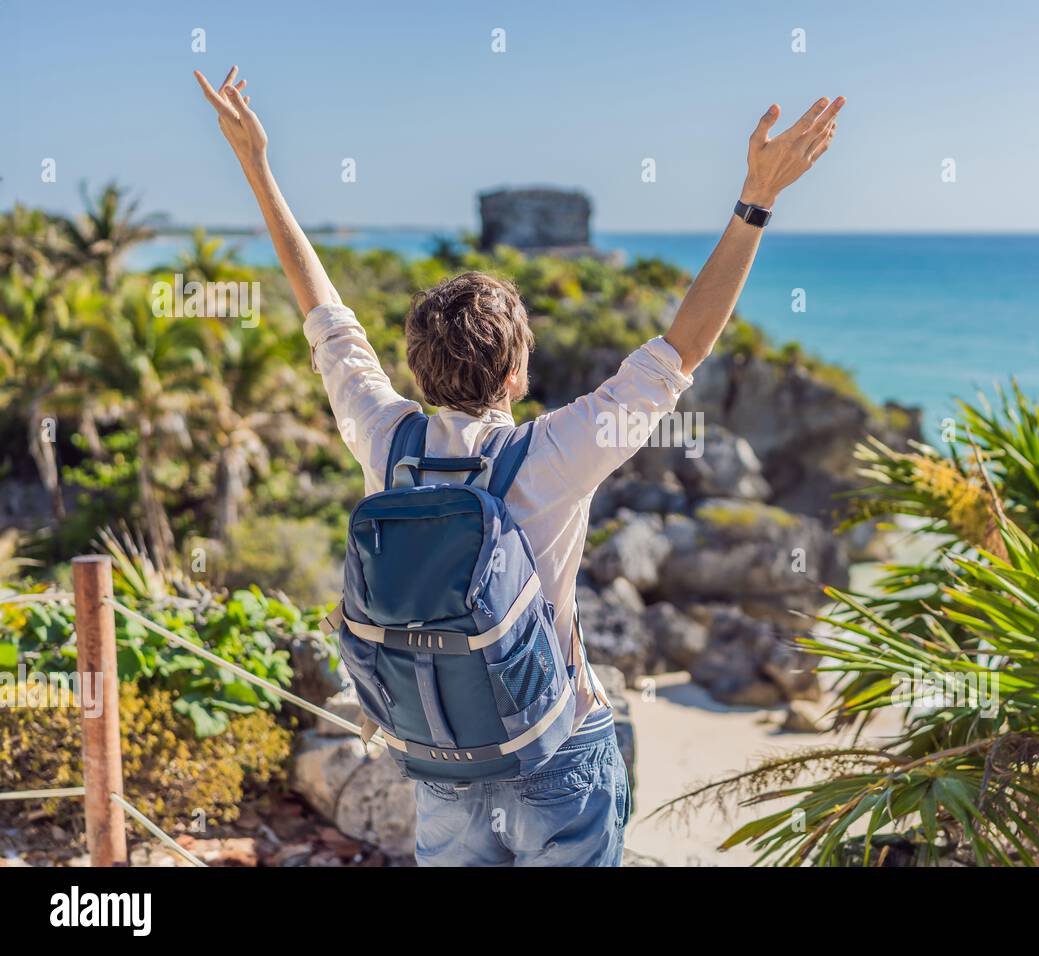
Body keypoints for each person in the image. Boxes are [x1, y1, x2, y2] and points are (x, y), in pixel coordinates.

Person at [195, 65, 843, 866]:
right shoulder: (553, 453)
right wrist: (757, 199)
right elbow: (684, 348)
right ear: (517, 377)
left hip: (439, 758)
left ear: (419, 368)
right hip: (554, 749)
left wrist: (257, 164)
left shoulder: (384, 438)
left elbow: (325, 317)